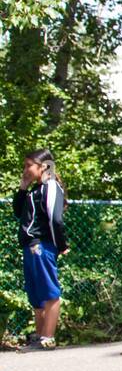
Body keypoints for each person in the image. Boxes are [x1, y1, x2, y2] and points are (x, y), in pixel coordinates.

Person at [13, 149, 67, 350]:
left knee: (49, 291)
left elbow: (55, 219)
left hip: (41, 245)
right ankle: (39, 336)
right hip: (29, 245)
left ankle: (48, 337)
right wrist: (23, 187)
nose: (25, 169)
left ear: (44, 167)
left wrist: (61, 245)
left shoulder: (51, 187)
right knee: (35, 293)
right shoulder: (34, 190)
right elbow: (18, 213)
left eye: (29, 166)